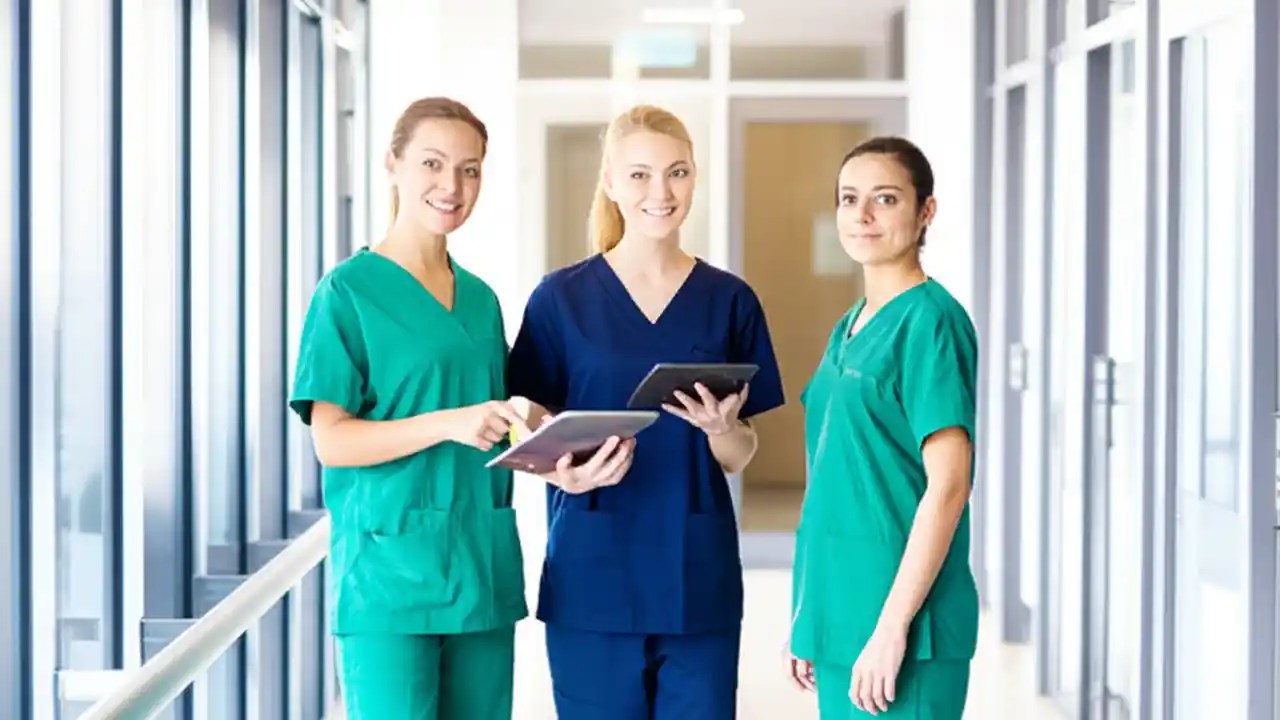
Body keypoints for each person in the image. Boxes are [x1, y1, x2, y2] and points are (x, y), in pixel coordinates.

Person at [508, 104, 786, 720]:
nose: (661, 192)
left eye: (677, 172)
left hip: (697, 573)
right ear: (610, 182)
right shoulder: (561, 299)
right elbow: (528, 433)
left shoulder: (729, 300)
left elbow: (741, 456)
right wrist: (562, 474)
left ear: (695, 178)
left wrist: (722, 430)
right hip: (593, 571)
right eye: (639, 175)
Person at [288, 96, 532, 720]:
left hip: (478, 567)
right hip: (388, 578)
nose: (452, 185)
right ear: (392, 165)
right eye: (432, 163)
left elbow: (501, 422)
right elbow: (332, 441)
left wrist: (559, 452)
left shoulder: (481, 300)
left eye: (470, 168)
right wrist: (449, 422)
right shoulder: (347, 292)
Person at [786, 136, 979, 719]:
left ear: (926, 212)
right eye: (849, 199)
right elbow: (831, 478)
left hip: (903, 628)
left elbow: (948, 487)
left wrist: (893, 627)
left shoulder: (931, 323)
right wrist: (808, 615)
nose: (862, 215)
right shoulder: (850, 324)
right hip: (842, 614)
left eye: (885, 198)